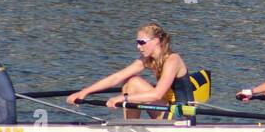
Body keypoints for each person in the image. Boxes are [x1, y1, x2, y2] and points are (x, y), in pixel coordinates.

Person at [67, 24, 209, 118]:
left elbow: (157, 94)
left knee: (134, 82)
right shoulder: (147, 59)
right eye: (137, 42)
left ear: (156, 41)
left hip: (181, 115)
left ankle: (130, 128)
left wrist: (123, 98)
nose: (138, 46)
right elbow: (115, 78)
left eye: (142, 42)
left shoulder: (173, 60)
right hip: (165, 109)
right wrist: (84, 92)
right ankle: (130, 128)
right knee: (130, 81)